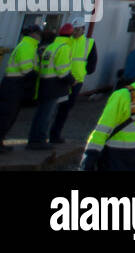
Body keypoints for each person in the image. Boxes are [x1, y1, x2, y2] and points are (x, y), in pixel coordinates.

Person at [28, 23, 74, 150]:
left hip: (44, 83)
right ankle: (39, 140)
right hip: (54, 86)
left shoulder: (52, 46)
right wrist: (71, 80)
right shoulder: (64, 47)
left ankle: (33, 139)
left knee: (40, 114)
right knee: (46, 115)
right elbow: (62, 71)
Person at [50, 18, 96, 143]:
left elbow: (92, 62)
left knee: (65, 109)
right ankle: (51, 133)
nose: (74, 32)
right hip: (64, 79)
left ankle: (55, 134)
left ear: (83, 29)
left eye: (77, 29)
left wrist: (84, 72)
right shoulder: (66, 41)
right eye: (74, 29)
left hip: (76, 81)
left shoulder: (89, 42)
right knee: (57, 107)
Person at [0, 24, 42, 153]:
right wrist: (38, 74)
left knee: (9, 114)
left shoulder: (28, 46)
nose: (40, 36)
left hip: (13, 84)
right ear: (32, 34)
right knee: (6, 115)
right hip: (14, 85)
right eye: (39, 33)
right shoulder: (27, 47)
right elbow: (26, 69)